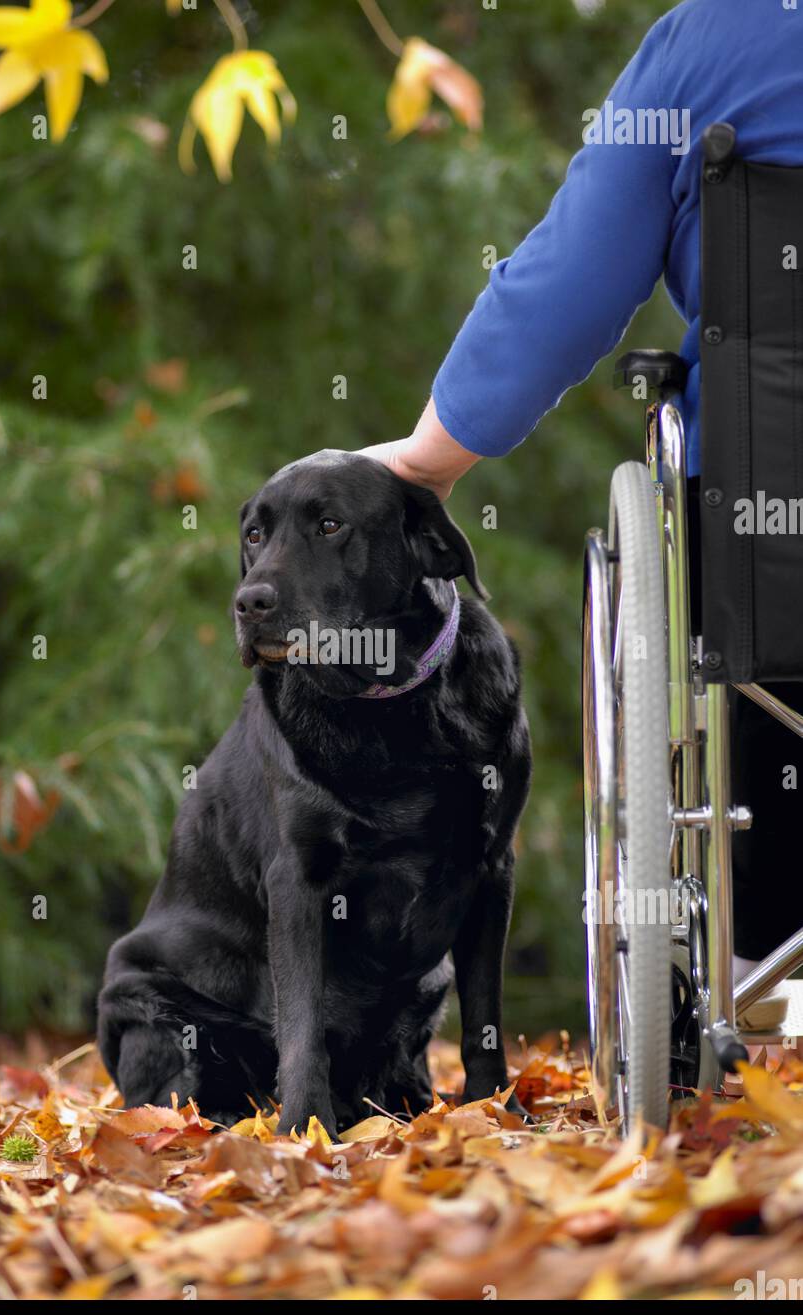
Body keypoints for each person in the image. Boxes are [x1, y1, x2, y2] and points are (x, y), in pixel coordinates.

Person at [361, 0, 803, 1031]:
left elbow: (569, 281)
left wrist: (431, 457)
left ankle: (740, 955)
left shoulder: (714, 43)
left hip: (770, 560)